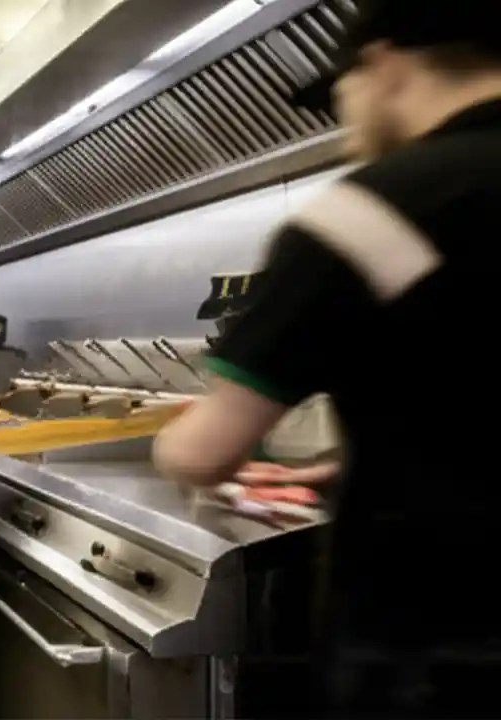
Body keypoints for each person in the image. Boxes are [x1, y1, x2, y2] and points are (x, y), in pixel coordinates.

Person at [153, 3, 500, 715]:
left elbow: (203, 454)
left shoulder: (374, 211)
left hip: (438, 647)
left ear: (382, 65)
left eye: (340, 95)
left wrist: (171, 440)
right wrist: (356, 462)